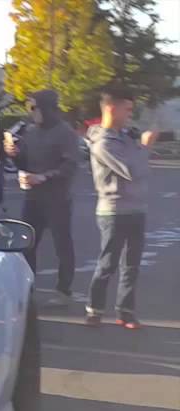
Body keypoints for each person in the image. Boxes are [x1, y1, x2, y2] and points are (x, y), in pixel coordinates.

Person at [84, 85, 157, 330]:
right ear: (111, 108)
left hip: (136, 210)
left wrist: (140, 148)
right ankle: (94, 310)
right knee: (108, 263)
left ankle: (126, 312)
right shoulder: (102, 143)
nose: (129, 114)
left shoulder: (125, 137)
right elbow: (132, 171)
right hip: (113, 211)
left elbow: (141, 169)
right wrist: (145, 147)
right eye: (127, 109)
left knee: (132, 264)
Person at [3, 89, 80, 305]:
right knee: (26, 243)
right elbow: (24, 162)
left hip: (57, 199)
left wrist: (44, 177)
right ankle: (28, 287)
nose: (31, 111)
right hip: (33, 197)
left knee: (62, 245)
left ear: (48, 108)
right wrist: (15, 156)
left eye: (34, 107)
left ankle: (64, 291)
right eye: (29, 107)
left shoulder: (65, 132)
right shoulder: (30, 131)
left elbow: (70, 165)